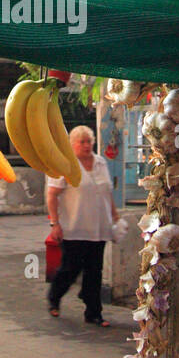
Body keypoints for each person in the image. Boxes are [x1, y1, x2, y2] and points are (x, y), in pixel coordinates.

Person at [45, 125, 119, 328]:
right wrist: (55, 223)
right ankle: (54, 297)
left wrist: (114, 215)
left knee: (95, 271)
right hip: (73, 228)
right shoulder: (65, 164)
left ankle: (94, 312)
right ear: (72, 144)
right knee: (70, 268)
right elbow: (52, 194)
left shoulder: (101, 163)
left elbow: (107, 192)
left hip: (99, 228)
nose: (87, 145)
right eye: (82, 142)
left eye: (89, 141)